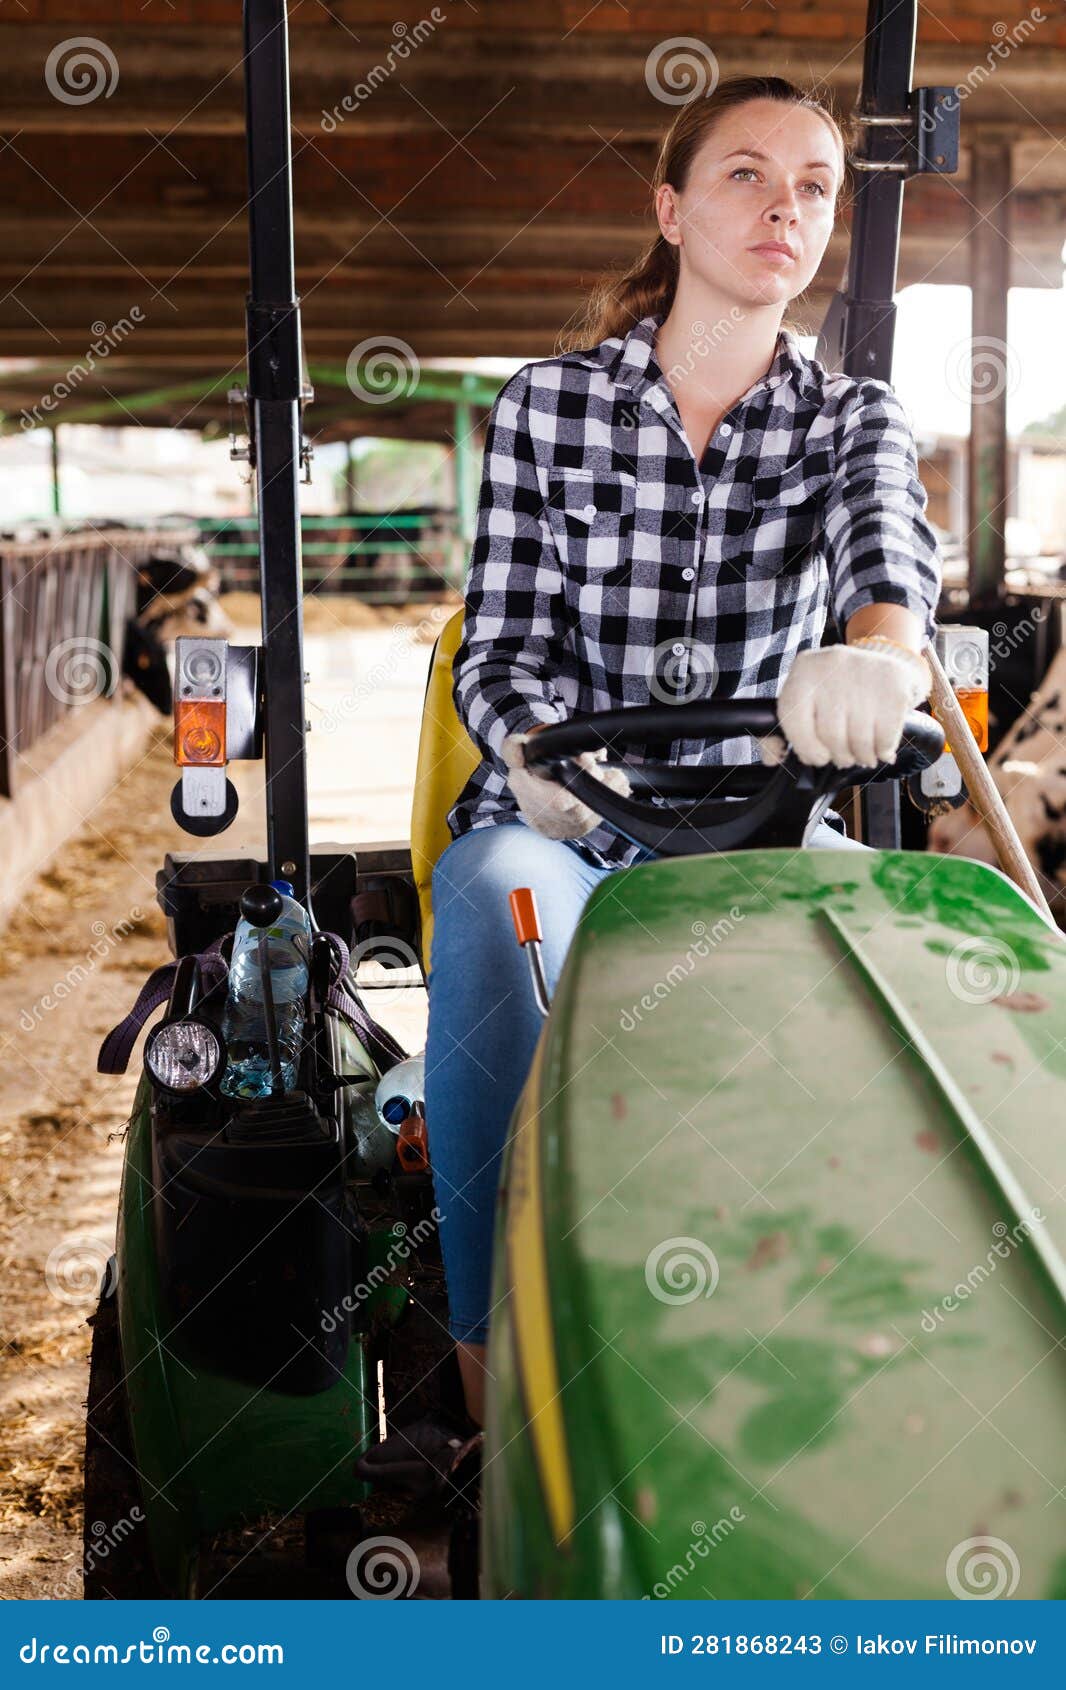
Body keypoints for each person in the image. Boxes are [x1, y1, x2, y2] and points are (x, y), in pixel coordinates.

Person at [357, 74, 941, 1493]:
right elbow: (496, 648)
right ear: (671, 209)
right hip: (562, 823)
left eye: (812, 185)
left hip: (751, 837)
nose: (784, 207)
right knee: (497, 891)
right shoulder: (548, 409)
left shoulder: (849, 419)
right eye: (745, 174)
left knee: (916, 944)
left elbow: (887, 568)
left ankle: (865, 1365)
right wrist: (537, 761)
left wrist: (876, 661)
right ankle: (499, 1378)